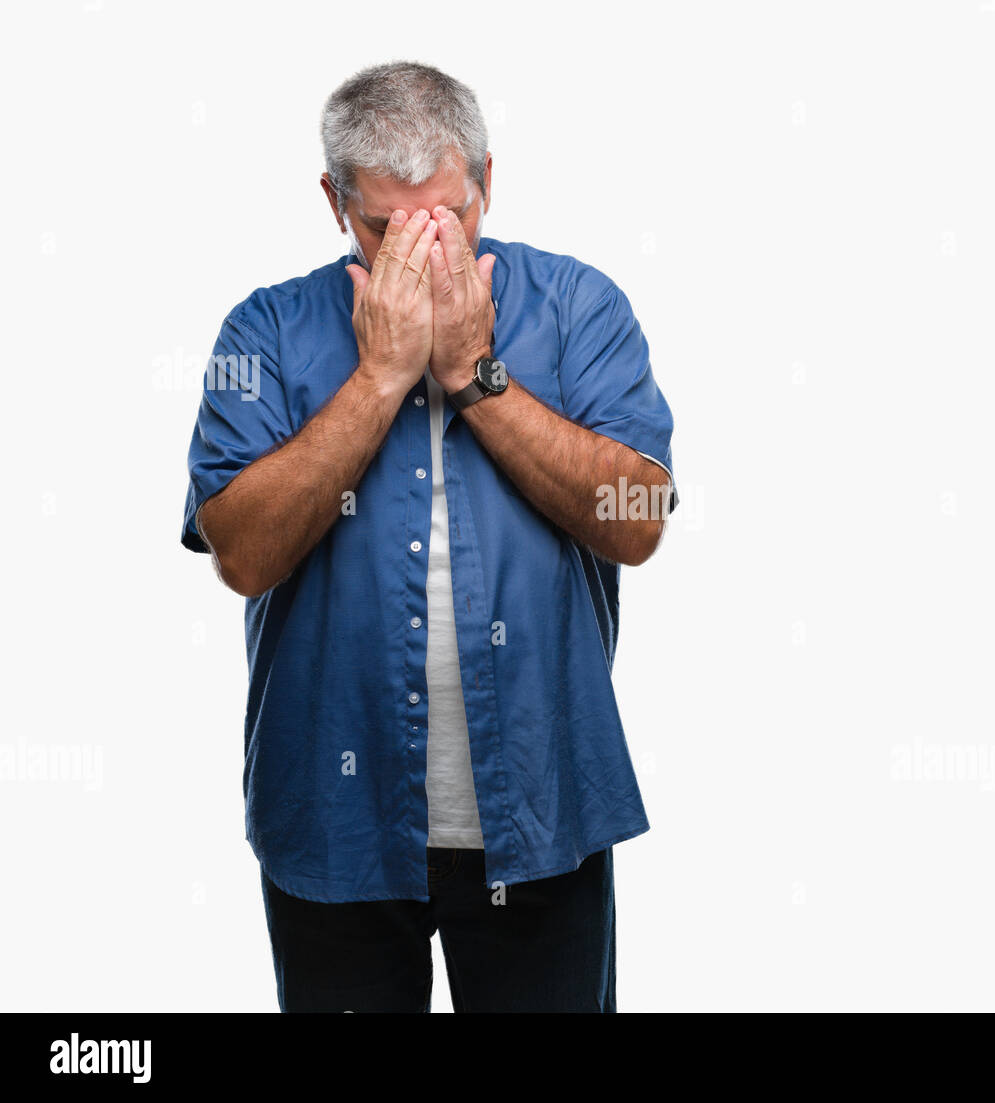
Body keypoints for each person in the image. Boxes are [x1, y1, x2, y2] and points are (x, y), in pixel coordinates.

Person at [180, 61, 675, 1012]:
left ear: (488, 177)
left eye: (446, 218)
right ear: (334, 204)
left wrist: (475, 372)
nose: (422, 254)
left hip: (543, 811)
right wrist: (376, 380)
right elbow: (240, 554)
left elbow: (639, 521)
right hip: (335, 823)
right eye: (385, 229)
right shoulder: (264, 332)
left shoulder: (580, 307)